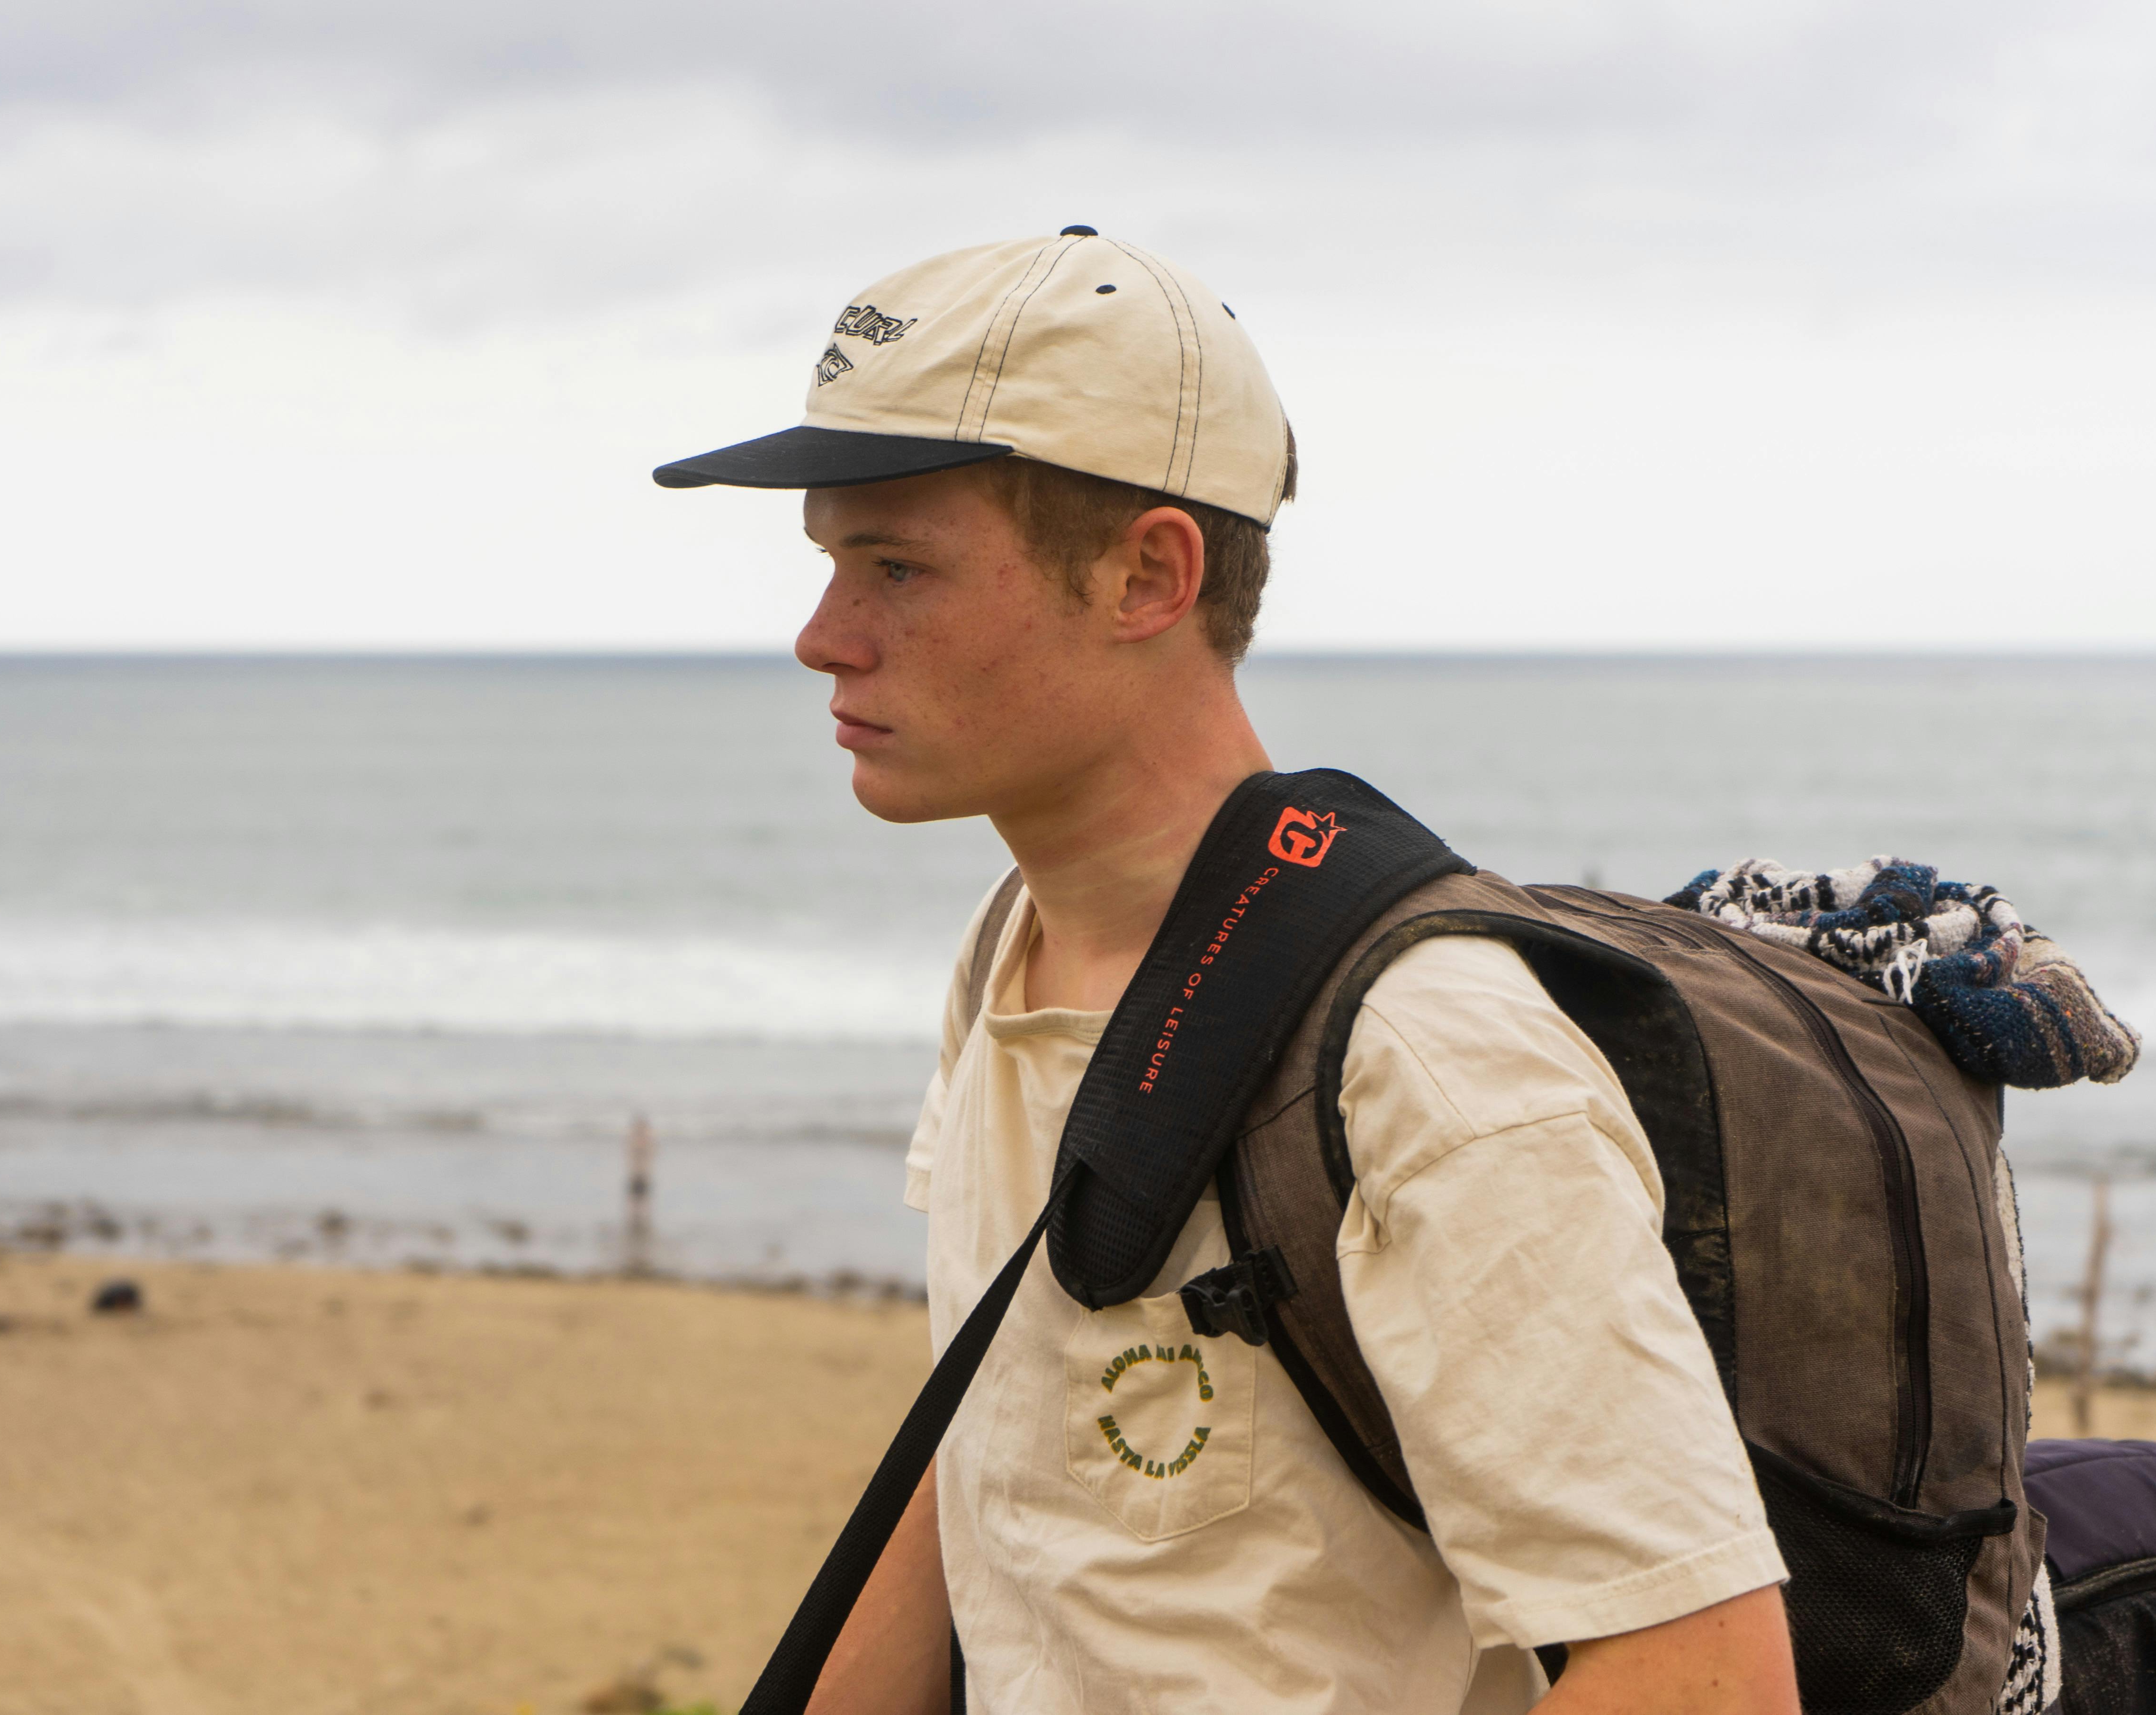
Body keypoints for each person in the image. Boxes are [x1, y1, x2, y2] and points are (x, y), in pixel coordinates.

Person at [655, 229, 1798, 1715]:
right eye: (829, 564)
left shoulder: (1427, 1058)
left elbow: (1701, 1674)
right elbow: (990, 1464)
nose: (823, 638)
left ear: (1148, 573)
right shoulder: (1018, 948)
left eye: (897, 567)